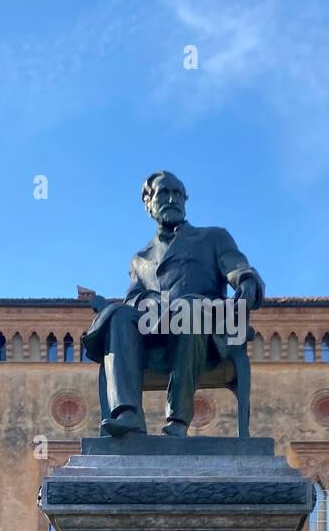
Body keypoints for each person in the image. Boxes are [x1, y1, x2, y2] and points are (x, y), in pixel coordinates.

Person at [82, 171, 264, 437]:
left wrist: (247, 283)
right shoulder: (140, 259)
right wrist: (150, 304)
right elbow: (134, 298)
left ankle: (178, 420)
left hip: (204, 332)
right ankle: (128, 415)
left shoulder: (213, 237)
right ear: (148, 204)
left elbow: (239, 268)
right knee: (119, 315)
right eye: (163, 193)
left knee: (188, 308)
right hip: (156, 332)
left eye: (177, 193)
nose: (171, 199)